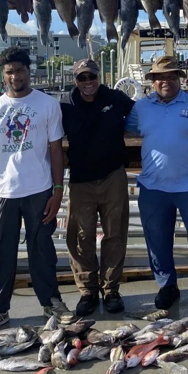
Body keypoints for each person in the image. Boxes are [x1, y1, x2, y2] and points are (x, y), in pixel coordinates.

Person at [0, 46, 73, 339]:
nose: (15, 76)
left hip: (39, 189)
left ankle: (51, 302)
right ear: (3, 76)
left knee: (41, 248)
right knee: (1, 252)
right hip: (2, 192)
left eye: (20, 70)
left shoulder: (47, 105)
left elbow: (56, 150)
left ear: (29, 72)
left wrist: (58, 189)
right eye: (9, 72)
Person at [125, 56, 188, 318]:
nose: (165, 81)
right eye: (160, 77)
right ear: (152, 81)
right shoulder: (141, 107)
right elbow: (127, 132)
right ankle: (167, 286)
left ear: (179, 78)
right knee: (156, 239)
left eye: (171, 76)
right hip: (152, 186)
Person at [61, 58, 135, 316]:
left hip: (113, 174)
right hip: (80, 178)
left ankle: (111, 289)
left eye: (91, 76)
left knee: (115, 233)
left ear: (98, 76)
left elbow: (140, 115)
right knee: (80, 236)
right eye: (82, 78)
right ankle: (87, 290)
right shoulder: (65, 105)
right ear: (75, 80)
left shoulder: (116, 98)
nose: (87, 82)